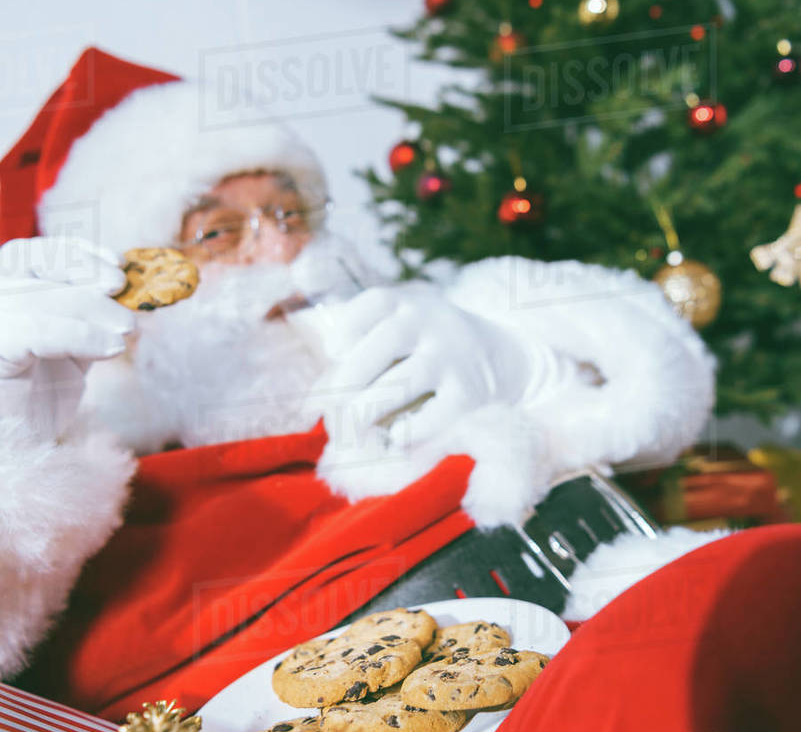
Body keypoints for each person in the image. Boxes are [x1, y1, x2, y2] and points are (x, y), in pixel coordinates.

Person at [0, 49, 719, 695]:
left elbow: (655, 405)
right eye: (217, 233)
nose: (281, 245)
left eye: (290, 211)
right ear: (132, 308)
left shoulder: (438, 344)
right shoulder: (109, 524)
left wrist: (525, 365)